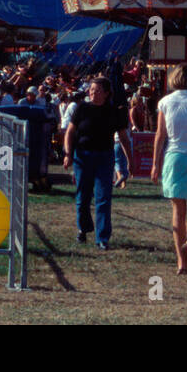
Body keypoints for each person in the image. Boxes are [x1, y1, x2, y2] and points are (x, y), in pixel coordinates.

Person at [150, 65, 187, 273]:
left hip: (173, 157)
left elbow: (160, 135)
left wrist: (155, 164)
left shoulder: (165, 102)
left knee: (178, 211)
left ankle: (181, 261)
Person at [63, 77, 132, 250]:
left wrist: (130, 161)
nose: (93, 93)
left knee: (103, 198)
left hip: (104, 157)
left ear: (107, 93)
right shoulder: (82, 108)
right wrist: (68, 154)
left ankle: (102, 238)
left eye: (98, 90)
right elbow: (70, 133)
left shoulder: (114, 112)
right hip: (82, 156)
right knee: (83, 197)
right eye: (91, 90)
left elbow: (123, 138)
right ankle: (83, 229)